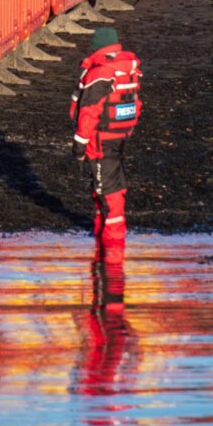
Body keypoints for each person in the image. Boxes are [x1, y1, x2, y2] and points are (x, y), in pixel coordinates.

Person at [72, 27, 143, 263]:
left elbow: (89, 112)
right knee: (107, 184)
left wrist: (79, 144)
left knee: (107, 190)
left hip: (100, 139)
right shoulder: (127, 67)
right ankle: (102, 246)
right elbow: (136, 102)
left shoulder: (99, 73)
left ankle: (112, 253)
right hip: (120, 134)